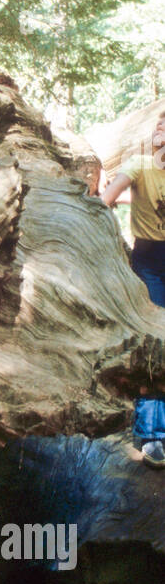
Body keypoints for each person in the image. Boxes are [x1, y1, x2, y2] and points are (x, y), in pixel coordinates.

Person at [100, 109, 165, 467]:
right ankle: (154, 435)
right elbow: (108, 198)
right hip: (150, 262)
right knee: (154, 345)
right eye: (159, 123)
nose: (160, 128)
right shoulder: (140, 165)